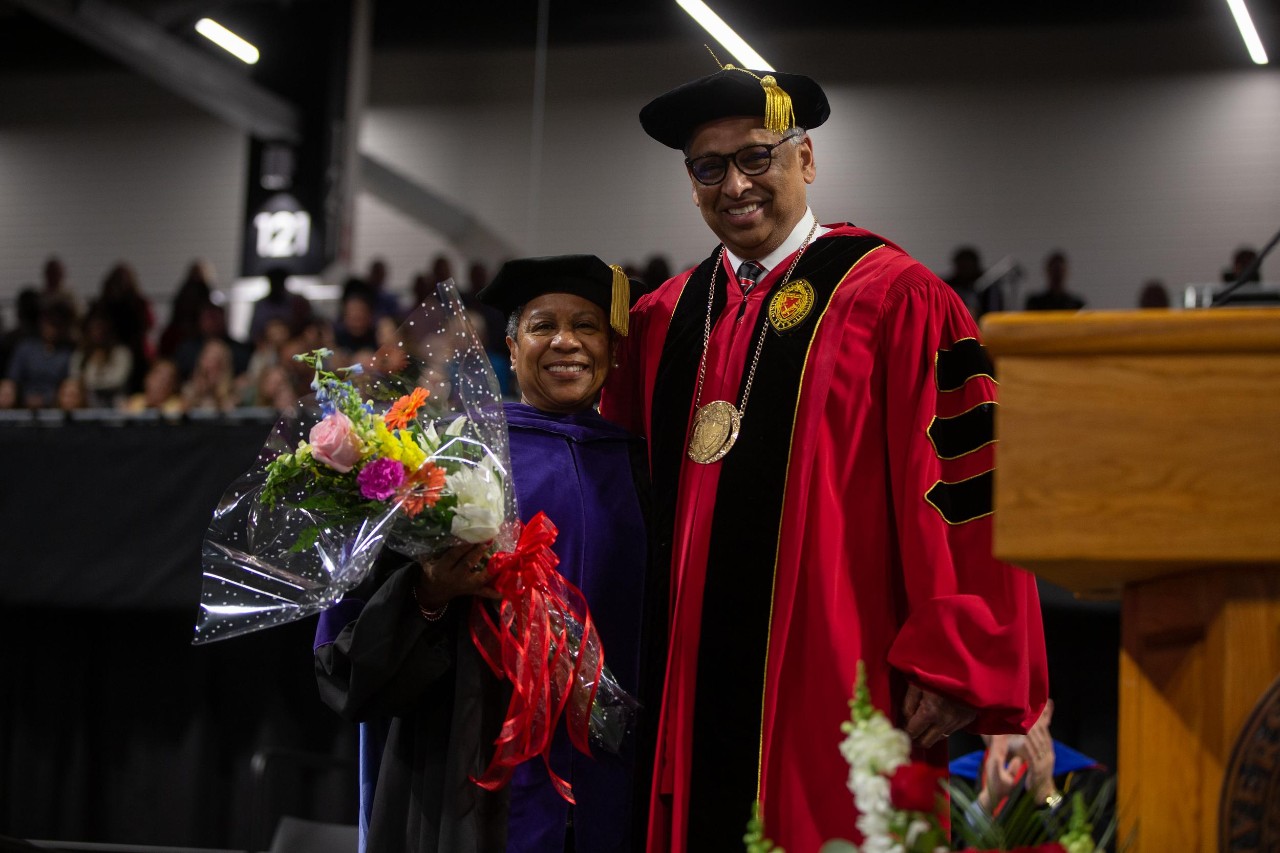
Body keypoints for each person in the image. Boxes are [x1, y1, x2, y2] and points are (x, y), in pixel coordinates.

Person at [600, 65, 1048, 851]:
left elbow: (968, 485)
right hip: (688, 683)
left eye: (757, 157)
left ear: (806, 161)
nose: (735, 184)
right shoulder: (665, 319)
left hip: (846, 674)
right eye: (710, 168)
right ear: (690, 183)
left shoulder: (896, 298)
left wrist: (957, 657)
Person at [314, 255, 663, 853]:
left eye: (587, 326)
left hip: (618, 776)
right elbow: (347, 648)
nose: (566, 342)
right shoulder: (449, 461)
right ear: (511, 342)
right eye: (542, 325)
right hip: (474, 779)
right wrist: (428, 594)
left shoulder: (648, 469)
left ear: (613, 349)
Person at [949, 700, 1112, 843]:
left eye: (1017, 705)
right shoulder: (953, 780)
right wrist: (984, 804)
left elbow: (1093, 844)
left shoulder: (1085, 777)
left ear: (1046, 712)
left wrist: (1047, 794)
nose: (1006, 720)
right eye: (993, 708)